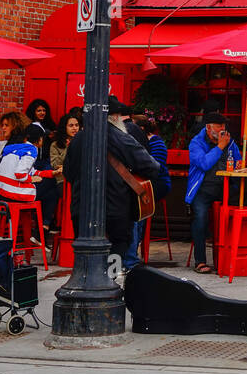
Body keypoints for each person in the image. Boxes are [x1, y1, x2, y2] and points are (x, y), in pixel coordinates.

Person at [65, 95, 159, 274]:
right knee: (115, 255)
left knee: (85, 260)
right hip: (115, 209)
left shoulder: (78, 139)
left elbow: (68, 173)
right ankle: (111, 284)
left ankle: (87, 284)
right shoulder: (121, 137)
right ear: (115, 117)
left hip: (82, 209)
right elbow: (152, 166)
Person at [185, 106, 238, 274]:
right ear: (208, 127)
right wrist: (220, 148)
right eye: (218, 126)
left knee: (242, 211)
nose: (222, 129)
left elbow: (238, 161)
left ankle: (230, 258)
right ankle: (200, 261)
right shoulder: (196, 143)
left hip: (226, 187)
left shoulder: (230, 141)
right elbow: (204, 163)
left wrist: (236, 164)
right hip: (202, 189)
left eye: (224, 126)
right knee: (200, 218)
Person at [133, 117, 172, 264]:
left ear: (141, 129)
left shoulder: (156, 142)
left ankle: (134, 248)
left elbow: (155, 168)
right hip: (140, 182)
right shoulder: (137, 141)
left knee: (137, 204)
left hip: (158, 183)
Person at [49, 111, 80, 201]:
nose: (74, 128)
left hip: (80, 179)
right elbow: (55, 165)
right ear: (64, 128)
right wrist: (68, 148)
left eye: (76, 125)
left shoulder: (83, 142)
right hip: (63, 180)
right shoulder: (55, 145)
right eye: (71, 126)